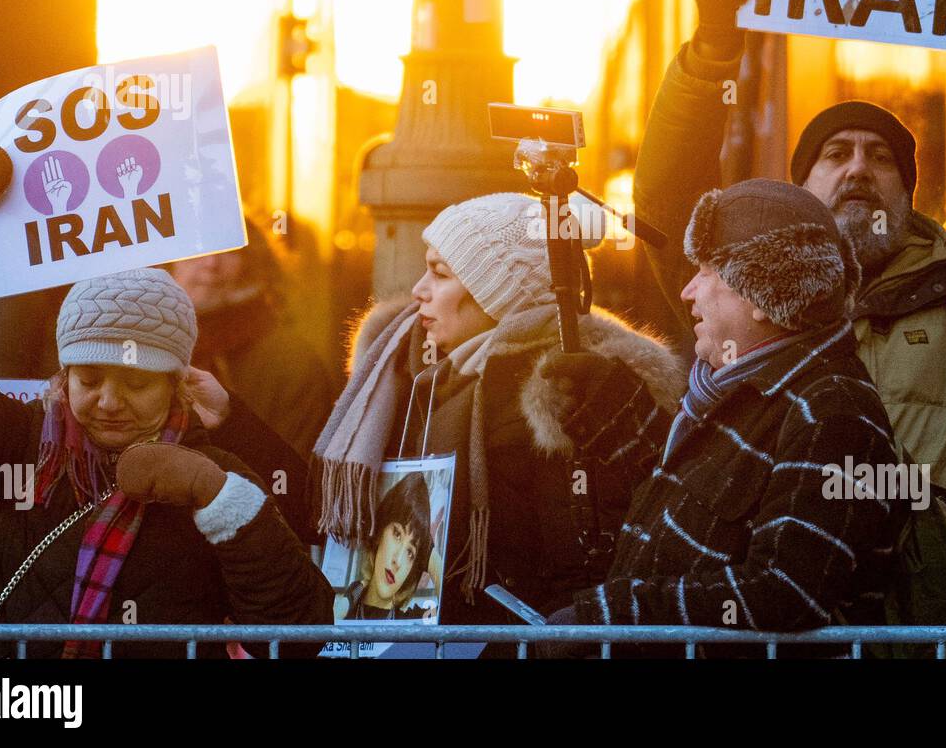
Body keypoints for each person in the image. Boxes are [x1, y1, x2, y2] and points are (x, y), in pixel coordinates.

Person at [632, 0, 946, 631]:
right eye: (835, 155)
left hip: (940, 635)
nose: (858, 169)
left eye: (881, 159)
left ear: (909, 195)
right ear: (800, 191)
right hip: (789, 636)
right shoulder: (738, 295)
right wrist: (713, 45)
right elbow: (665, 205)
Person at [0, 143, 334, 658]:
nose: (108, 401)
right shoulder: (16, 443)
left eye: (136, 383)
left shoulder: (215, 473)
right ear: (64, 374)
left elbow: (299, 632)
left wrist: (222, 502)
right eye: (89, 379)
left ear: (176, 383)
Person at [542, 180, 911, 650]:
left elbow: (785, 593)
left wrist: (611, 614)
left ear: (763, 292)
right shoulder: (737, 390)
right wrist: (616, 409)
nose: (688, 290)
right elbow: (700, 517)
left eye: (709, 268)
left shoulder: (832, 413)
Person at [312, 193, 686, 627]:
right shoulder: (398, 379)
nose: (418, 290)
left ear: (498, 295)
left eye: (439, 273)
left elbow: (575, 570)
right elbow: (314, 518)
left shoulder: (568, 393)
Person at [170, 219, 338, 459]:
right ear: (166, 262)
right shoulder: (134, 349)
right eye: (196, 248)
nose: (211, 263)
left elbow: (295, 478)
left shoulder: (291, 362)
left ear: (251, 262)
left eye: (230, 250)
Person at [343, 473, 436, 620]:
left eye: (410, 552)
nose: (398, 561)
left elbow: (448, 613)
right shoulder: (345, 605)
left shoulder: (411, 621)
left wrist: (428, 552)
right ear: (380, 532)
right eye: (397, 534)